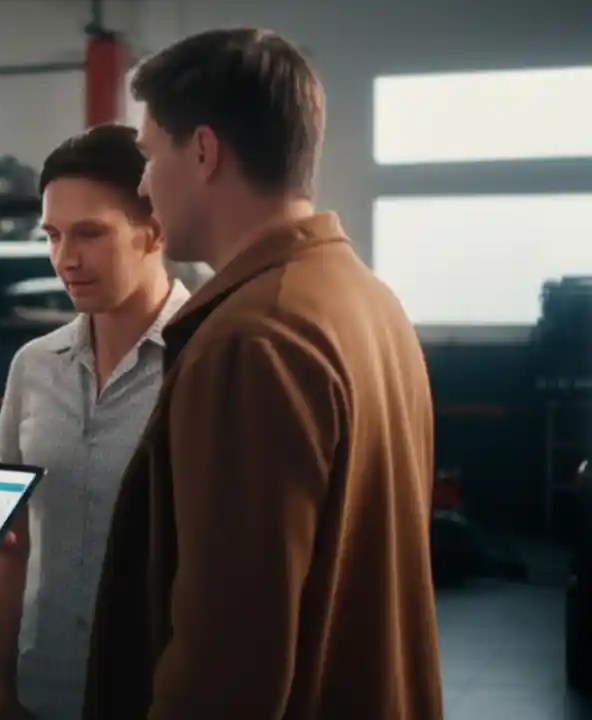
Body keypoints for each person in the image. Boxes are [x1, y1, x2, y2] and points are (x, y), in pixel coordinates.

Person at [83, 29, 444, 719]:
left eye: (150, 154)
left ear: (203, 152)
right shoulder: (367, 300)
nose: (142, 183)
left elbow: (229, 655)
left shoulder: (251, 339)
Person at [0, 124, 191, 720]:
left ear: (156, 231)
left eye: (90, 234)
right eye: (53, 235)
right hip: (43, 686)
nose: (65, 259)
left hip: (157, 696)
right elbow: (9, 547)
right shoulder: (34, 366)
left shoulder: (204, 361)